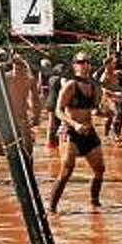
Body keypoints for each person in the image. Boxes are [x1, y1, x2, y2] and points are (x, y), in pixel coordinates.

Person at [49, 52, 105, 212]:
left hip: (88, 131)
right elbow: (58, 111)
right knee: (67, 170)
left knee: (100, 170)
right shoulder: (70, 85)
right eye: (81, 62)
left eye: (87, 62)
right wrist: (75, 124)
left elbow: (94, 109)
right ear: (75, 66)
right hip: (70, 131)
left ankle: (95, 203)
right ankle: (51, 208)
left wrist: (106, 112)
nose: (85, 65)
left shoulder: (94, 86)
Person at [0, 55, 39, 182]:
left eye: (21, 66)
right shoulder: (6, 78)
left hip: (22, 119)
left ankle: (29, 178)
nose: (19, 69)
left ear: (25, 66)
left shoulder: (29, 79)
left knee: (28, 150)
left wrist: (36, 116)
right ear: (13, 66)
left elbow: (35, 100)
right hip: (6, 117)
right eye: (16, 65)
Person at [44, 62, 66, 149]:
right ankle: (57, 144)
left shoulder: (51, 78)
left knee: (51, 123)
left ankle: (50, 143)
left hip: (50, 101)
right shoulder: (61, 78)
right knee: (60, 123)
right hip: (56, 102)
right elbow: (64, 88)